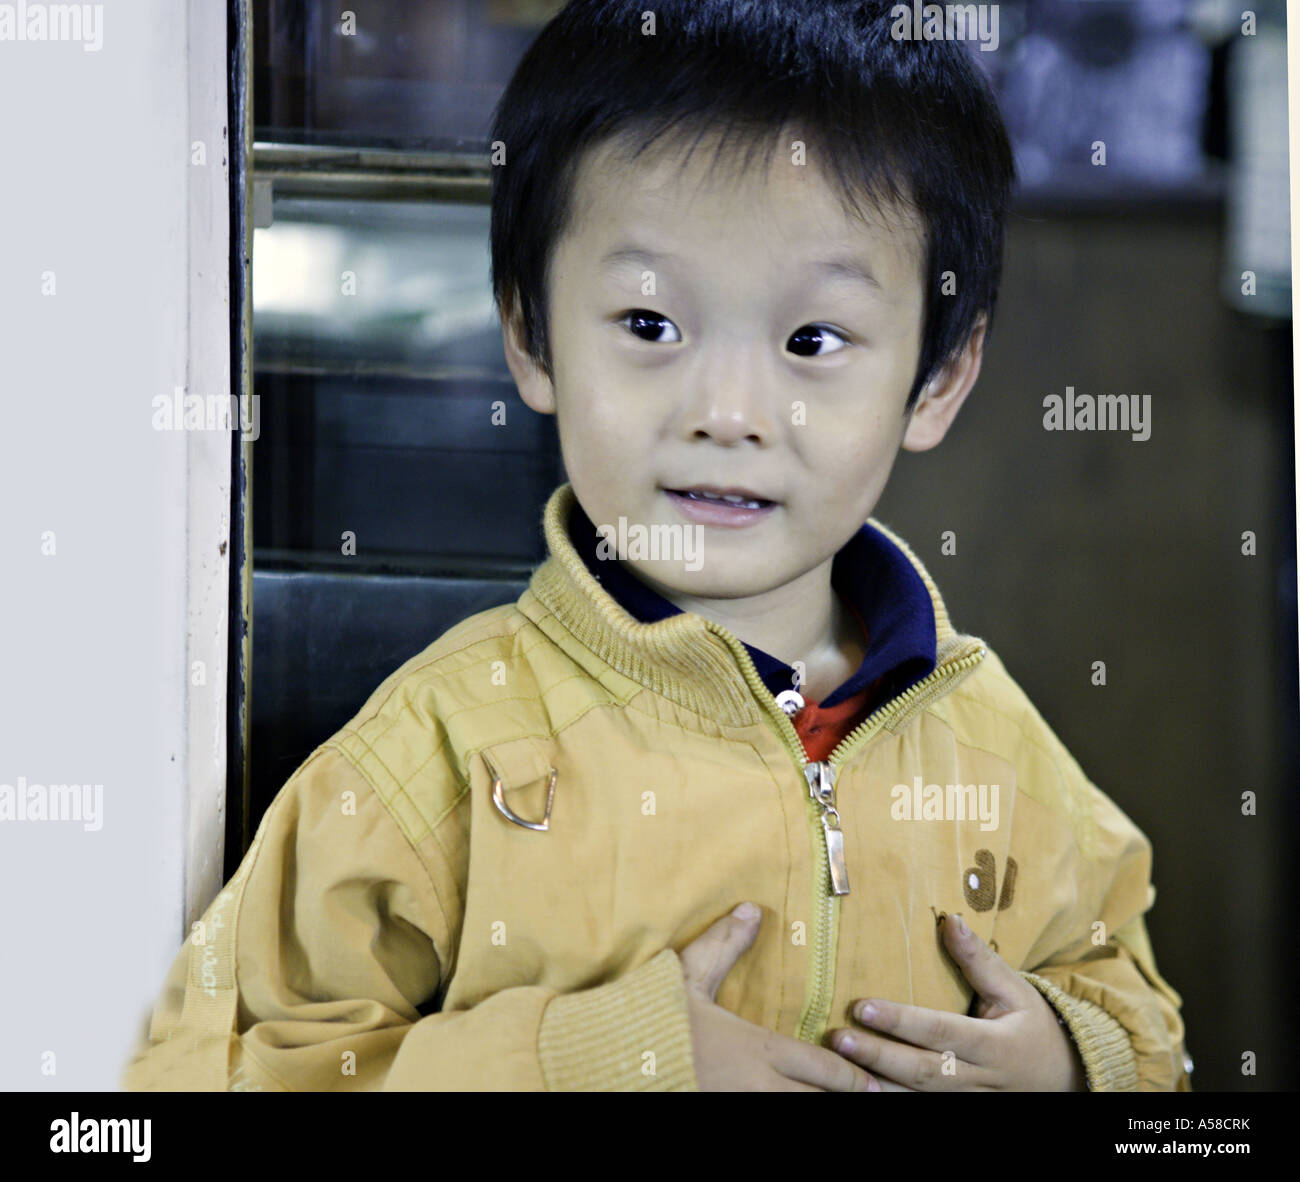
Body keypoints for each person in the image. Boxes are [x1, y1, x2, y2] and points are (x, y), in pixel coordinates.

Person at [122, 0, 1190, 1092]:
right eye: (649, 325)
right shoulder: (436, 753)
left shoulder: (996, 753)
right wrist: (592, 1063)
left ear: (938, 378)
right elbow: (212, 1076)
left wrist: (1071, 1062)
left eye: (812, 340)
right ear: (531, 335)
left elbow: (1140, 1018)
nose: (727, 411)